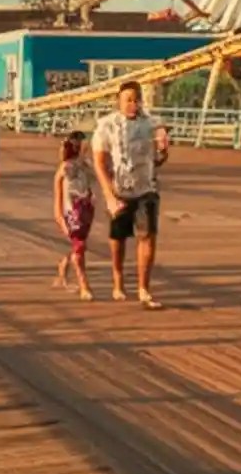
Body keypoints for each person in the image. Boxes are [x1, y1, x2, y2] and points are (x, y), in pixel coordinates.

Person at [91, 81, 169, 310]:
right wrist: (109, 195)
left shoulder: (151, 124)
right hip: (119, 189)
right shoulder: (107, 125)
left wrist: (164, 151)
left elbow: (158, 160)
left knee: (147, 235)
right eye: (128, 100)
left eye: (136, 99)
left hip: (146, 187)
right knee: (118, 238)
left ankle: (144, 288)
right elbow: (99, 163)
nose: (133, 104)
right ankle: (118, 279)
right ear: (119, 101)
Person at [53, 131, 95, 301]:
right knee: (79, 246)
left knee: (80, 246)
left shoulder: (86, 165)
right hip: (71, 211)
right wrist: (59, 217)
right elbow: (57, 197)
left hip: (86, 208)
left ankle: (64, 264)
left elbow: (95, 178)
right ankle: (84, 284)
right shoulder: (64, 169)